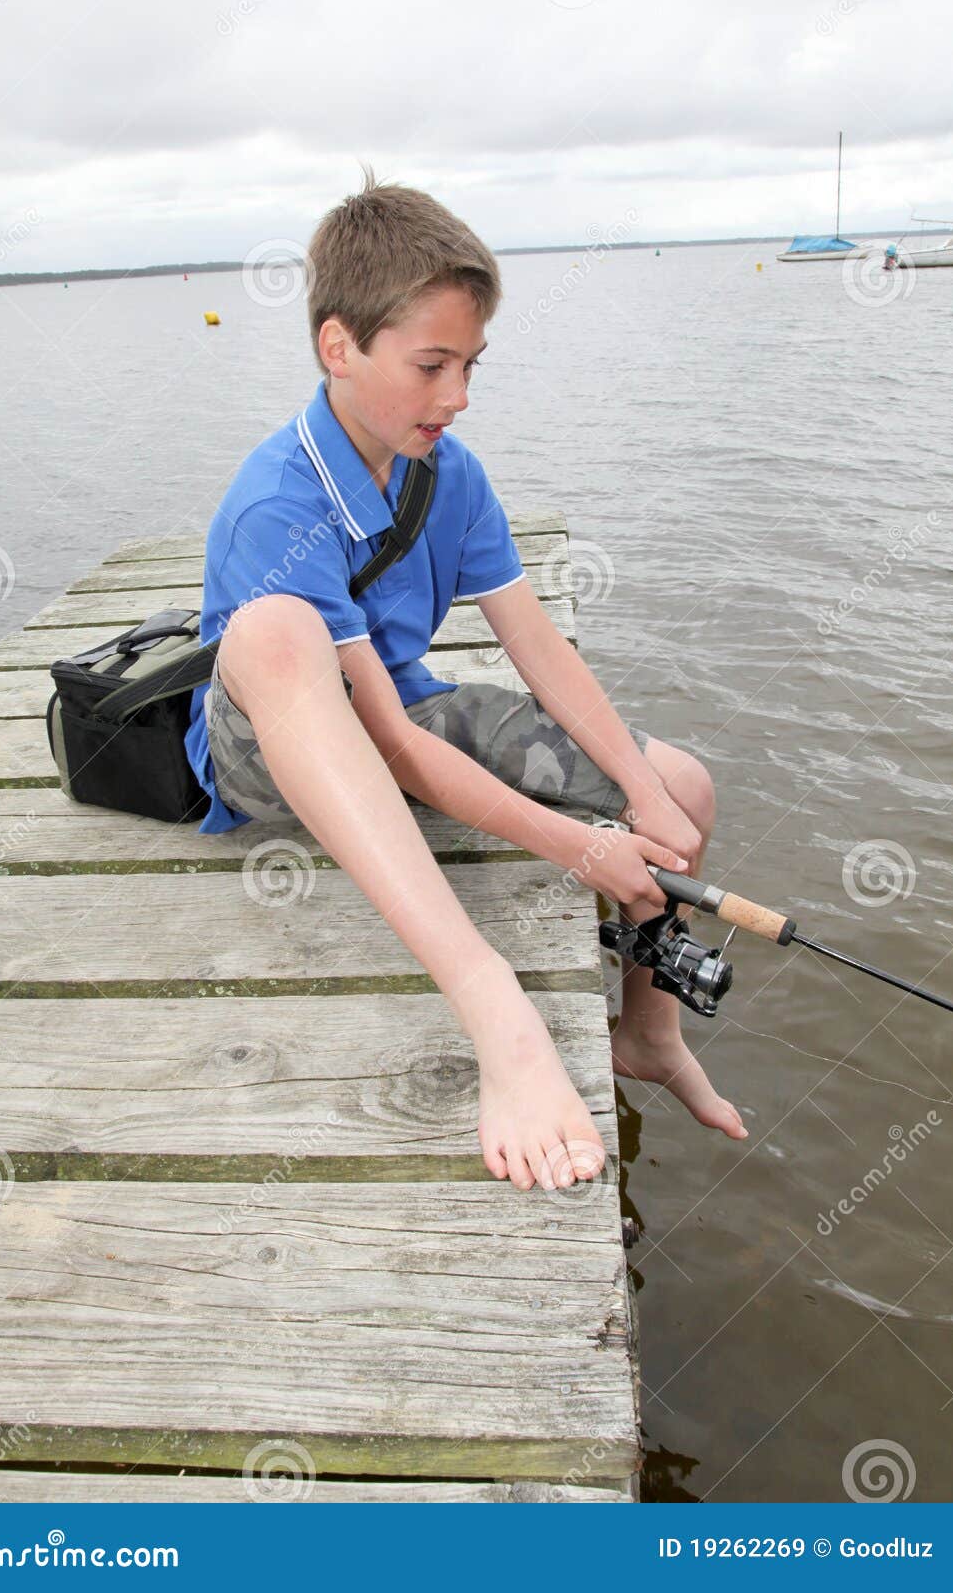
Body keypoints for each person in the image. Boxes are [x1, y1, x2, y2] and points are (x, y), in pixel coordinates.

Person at [184, 169, 747, 1193]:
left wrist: (640, 796)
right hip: (269, 755)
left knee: (683, 790)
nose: (458, 396)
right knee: (274, 632)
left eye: (471, 364)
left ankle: (648, 1035)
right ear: (338, 347)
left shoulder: (453, 473)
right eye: (432, 364)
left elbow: (538, 649)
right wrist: (577, 844)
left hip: (396, 704)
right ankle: (496, 1011)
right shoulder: (276, 503)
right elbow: (393, 747)